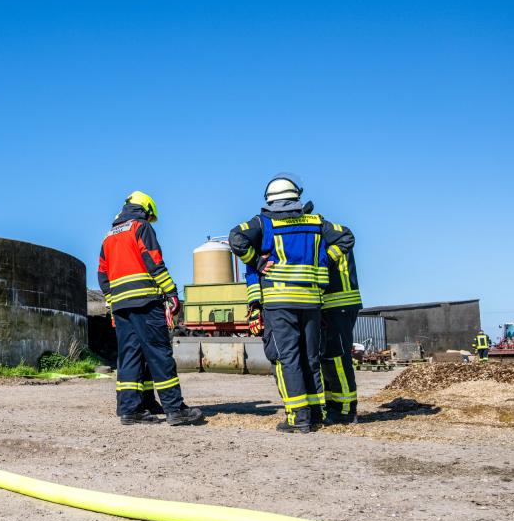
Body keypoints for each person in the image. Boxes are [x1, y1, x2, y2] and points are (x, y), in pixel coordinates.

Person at [229, 173, 353, 433]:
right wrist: (325, 260)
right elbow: (346, 237)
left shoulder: (264, 223)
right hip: (312, 303)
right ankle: (316, 413)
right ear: (296, 197)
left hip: (279, 302)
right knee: (310, 358)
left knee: (288, 359)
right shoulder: (316, 222)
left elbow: (236, 238)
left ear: (270, 200)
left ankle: (298, 418)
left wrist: (257, 261)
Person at [98, 191, 203, 426]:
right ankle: (175, 409)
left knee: (129, 357)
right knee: (159, 354)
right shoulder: (141, 227)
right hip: (146, 302)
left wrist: (113, 300)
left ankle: (131, 409)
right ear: (145, 209)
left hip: (121, 307)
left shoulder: (109, 236)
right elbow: (154, 261)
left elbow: (102, 274)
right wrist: (172, 292)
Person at [320, 221, 361, 424]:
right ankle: (333, 408)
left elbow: (348, 237)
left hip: (338, 304)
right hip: (331, 305)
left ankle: (345, 410)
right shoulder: (325, 235)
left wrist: (322, 259)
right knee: (327, 359)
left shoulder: (327, 232)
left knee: (336, 358)